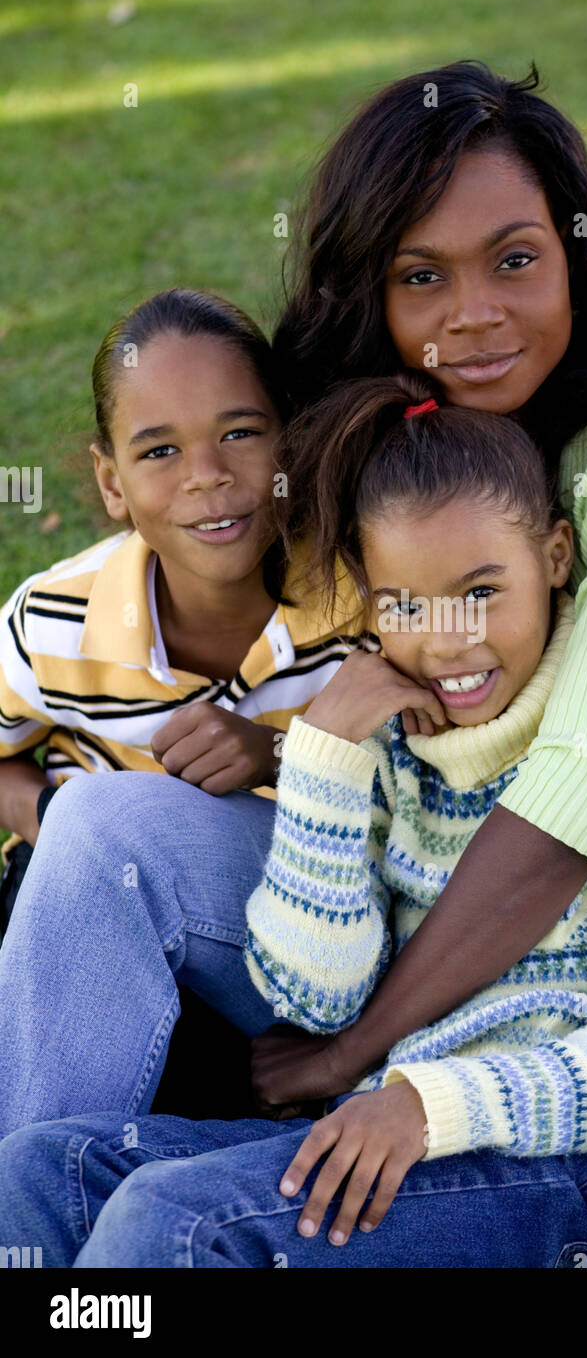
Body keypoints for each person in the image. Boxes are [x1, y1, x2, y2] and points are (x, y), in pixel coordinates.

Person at [0, 60, 587, 1267]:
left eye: (515, 258)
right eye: (421, 276)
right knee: (100, 839)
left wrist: (364, 1054)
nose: (473, 314)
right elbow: (191, 508)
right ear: (378, 293)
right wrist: (295, 752)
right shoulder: (378, 438)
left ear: (576, 256)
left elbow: (579, 808)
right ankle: (43, 1233)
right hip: (407, 871)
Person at [0, 373, 587, 1267]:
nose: (447, 641)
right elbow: (316, 997)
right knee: (37, 1173)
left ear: (557, 555)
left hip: (549, 1166)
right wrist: (326, 756)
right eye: (403, 607)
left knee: (166, 1225)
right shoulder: (388, 740)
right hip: (371, 1134)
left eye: (482, 591)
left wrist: (429, 1101)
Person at [0, 286, 366, 1113]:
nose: (207, 477)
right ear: (111, 481)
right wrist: (52, 820)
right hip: (89, 932)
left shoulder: (364, 609)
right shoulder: (53, 622)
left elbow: (436, 804)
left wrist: (280, 755)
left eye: (240, 433)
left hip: (297, 936)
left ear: (291, 442)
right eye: (158, 452)